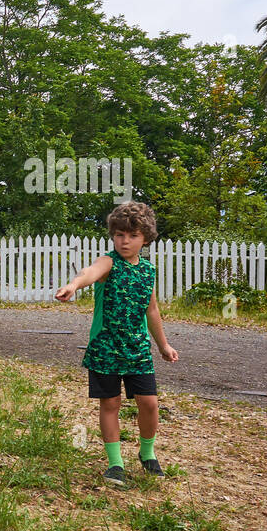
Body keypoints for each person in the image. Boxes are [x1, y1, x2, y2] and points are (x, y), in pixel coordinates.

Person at [54, 202, 178, 487]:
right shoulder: (109, 262)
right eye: (120, 234)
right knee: (110, 403)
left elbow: (152, 311)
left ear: (145, 238)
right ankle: (115, 464)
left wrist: (163, 346)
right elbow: (89, 272)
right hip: (105, 348)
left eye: (132, 235)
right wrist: (74, 285)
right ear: (113, 235)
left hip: (137, 350)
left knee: (149, 403)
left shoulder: (148, 271)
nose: (125, 241)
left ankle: (147, 454)